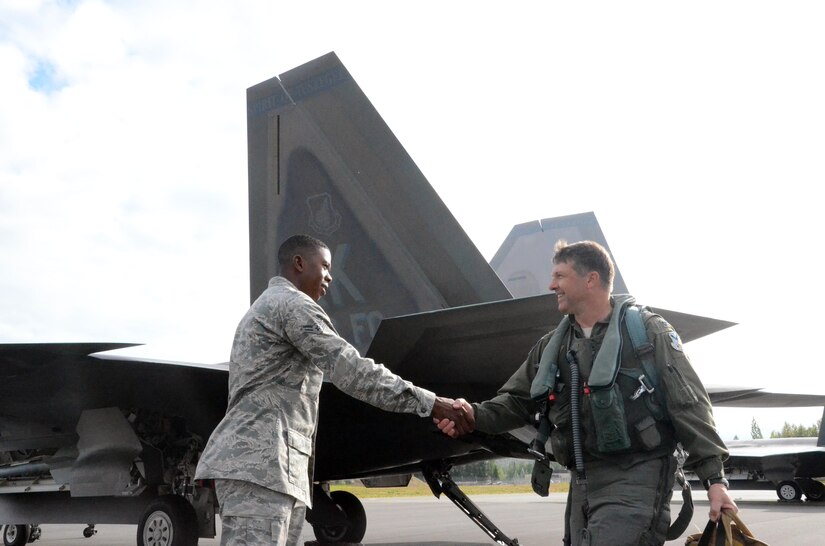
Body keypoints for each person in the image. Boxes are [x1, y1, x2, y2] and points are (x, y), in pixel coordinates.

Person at [436, 239, 737, 546]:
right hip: (582, 480)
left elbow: (689, 405)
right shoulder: (553, 347)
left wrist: (715, 481)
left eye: (560, 276)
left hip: (637, 474)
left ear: (591, 279)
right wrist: (472, 414)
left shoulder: (647, 334)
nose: (552, 285)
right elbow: (517, 401)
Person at [196, 234, 473, 545]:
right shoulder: (292, 305)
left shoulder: (269, 306)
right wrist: (432, 403)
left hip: (271, 468)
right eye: (325, 266)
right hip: (261, 468)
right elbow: (351, 370)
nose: (329, 276)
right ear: (299, 263)